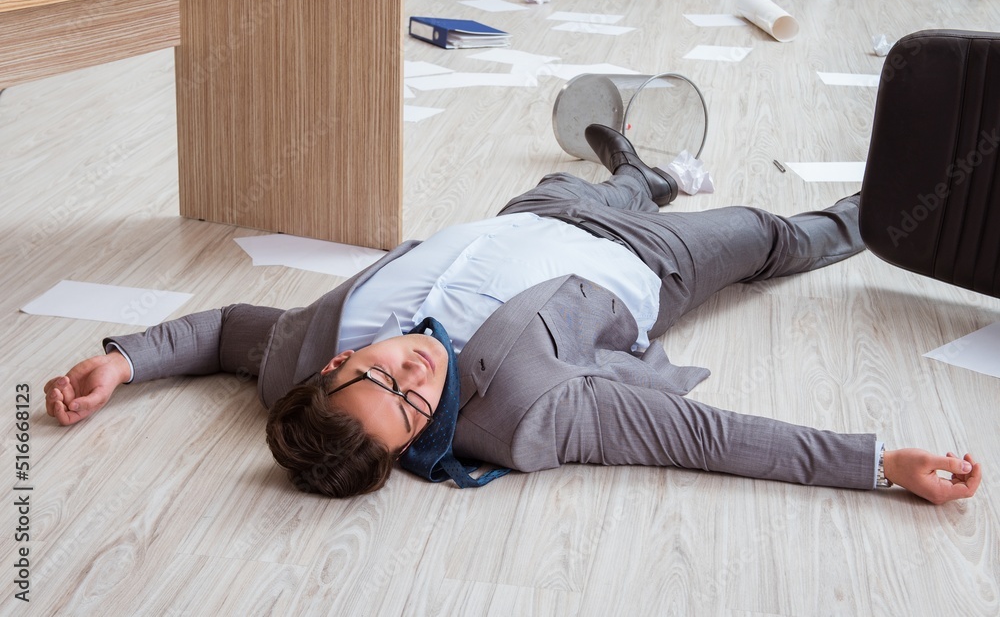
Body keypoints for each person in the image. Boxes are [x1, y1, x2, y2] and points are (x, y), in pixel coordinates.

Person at [44, 126, 981, 505]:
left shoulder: (298, 352)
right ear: (418, 439)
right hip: (646, 263)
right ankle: (897, 207)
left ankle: (640, 172)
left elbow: (217, 331)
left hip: (531, 216)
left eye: (382, 376)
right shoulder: (527, 412)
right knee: (773, 234)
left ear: (333, 370)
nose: (417, 378)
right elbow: (707, 437)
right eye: (411, 411)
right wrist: (879, 464)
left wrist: (121, 363)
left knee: (585, 183)